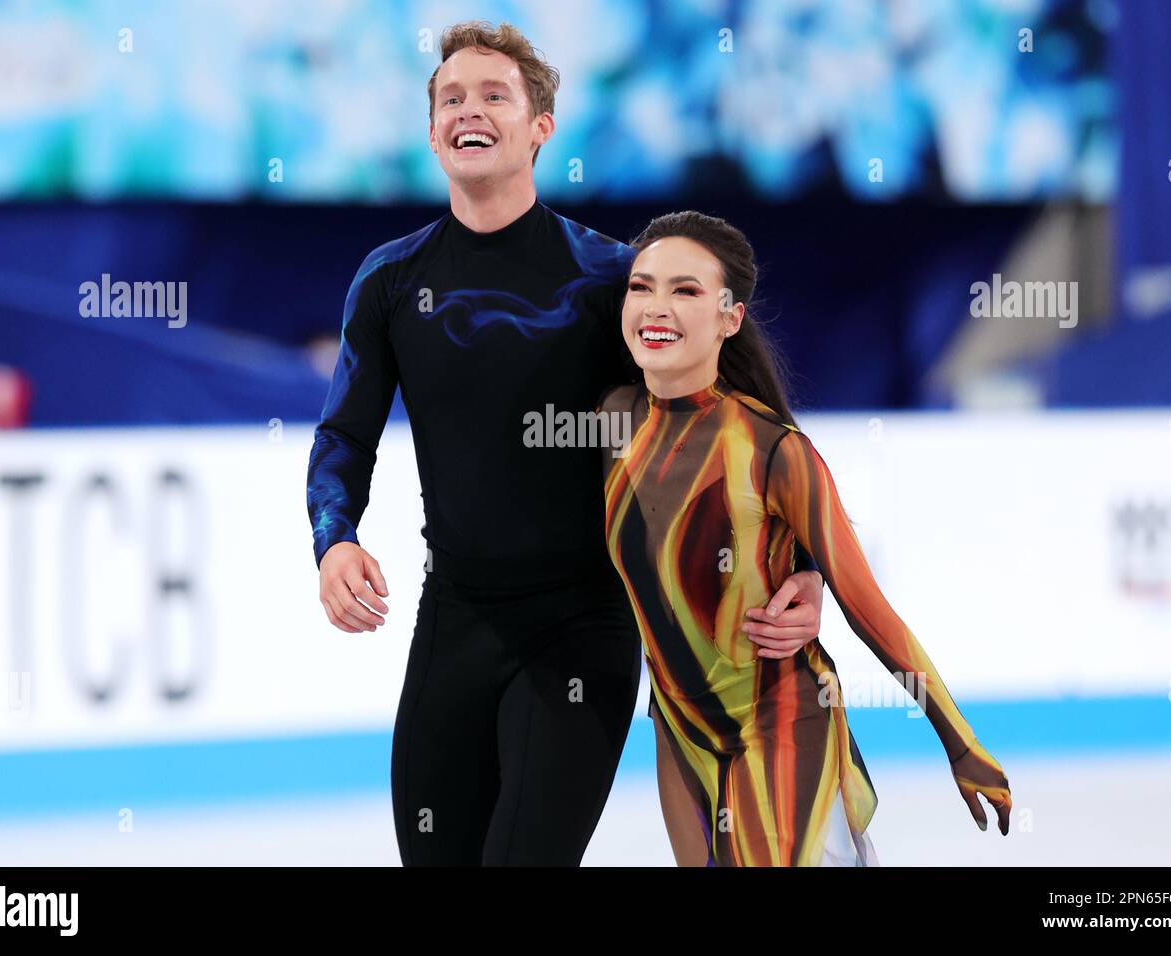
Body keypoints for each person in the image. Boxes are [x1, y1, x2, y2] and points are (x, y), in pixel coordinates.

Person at [305, 21, 827, 866]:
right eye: (450, 99)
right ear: (431, 128)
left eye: (493, 96)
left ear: (541, 125)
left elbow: (731, 418)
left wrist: (802, 561)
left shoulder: (610, 277)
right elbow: (344, 435)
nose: (468, 111)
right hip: (455, 625)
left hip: (584, 627)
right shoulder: (391, 280)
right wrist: (335, 541)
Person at [597, 211, 1013, 866]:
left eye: (686, 290)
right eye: (642, 286)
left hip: (782, 726)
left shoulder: (776, 452)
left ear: (730, 317)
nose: (656, 306)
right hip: (679, 737)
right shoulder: (612, 423)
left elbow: (870, 611)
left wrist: (959, 743)